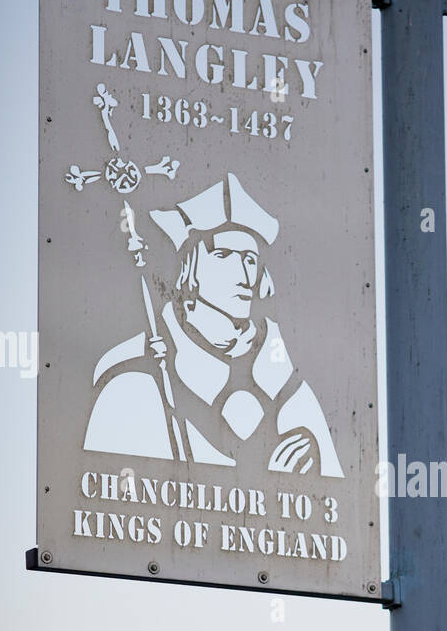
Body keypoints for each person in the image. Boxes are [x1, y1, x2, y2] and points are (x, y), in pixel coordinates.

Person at [83, 173, 343, 476]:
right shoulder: (136, 374)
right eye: (223, 255)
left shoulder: (287, 379)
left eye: (249, 259)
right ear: (190, 267)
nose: (244, 275)